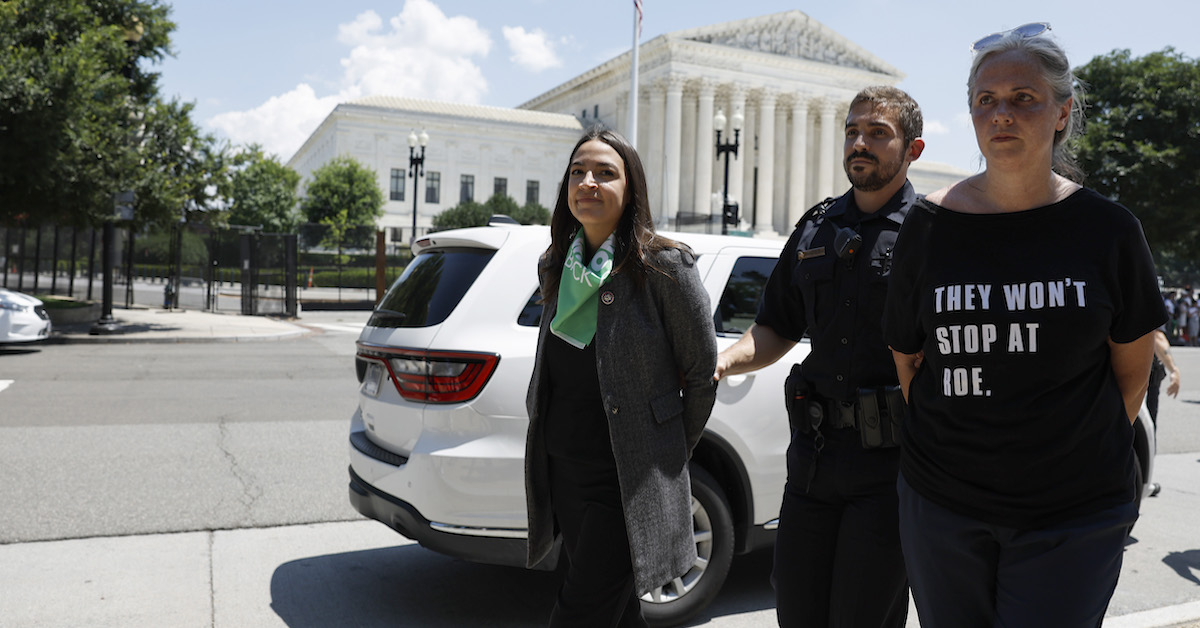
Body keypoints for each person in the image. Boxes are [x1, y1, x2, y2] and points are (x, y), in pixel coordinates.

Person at [883, 23, 1167, 627]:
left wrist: (1054, 454)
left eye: (1023, 98)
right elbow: (908, 362)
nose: (1002, 114)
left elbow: (1130, 380)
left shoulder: (1110, 231)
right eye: (986, 100)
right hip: (942, 505)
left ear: (1062, 112)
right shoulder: (927, 228)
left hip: (1075, 513)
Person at [714, 85, 925, 627]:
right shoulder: (816, 226)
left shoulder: (934, 232)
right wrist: (723, 362)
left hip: (891, 467)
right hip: (813, 461)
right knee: (798, 611)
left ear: (913, 149)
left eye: (878, 133)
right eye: (853, 131)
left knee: (861, 615)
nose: (860, 142)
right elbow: (776, 326)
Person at [524, 127, 718, 627]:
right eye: (577, 172)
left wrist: (666, 450)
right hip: (563, 467)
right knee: (615, 610)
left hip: (626, 479)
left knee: (578, 612)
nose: (588, 182)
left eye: (605, 173)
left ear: (631, 189)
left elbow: (700, 375)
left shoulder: (664, 267)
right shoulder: (556, 264)